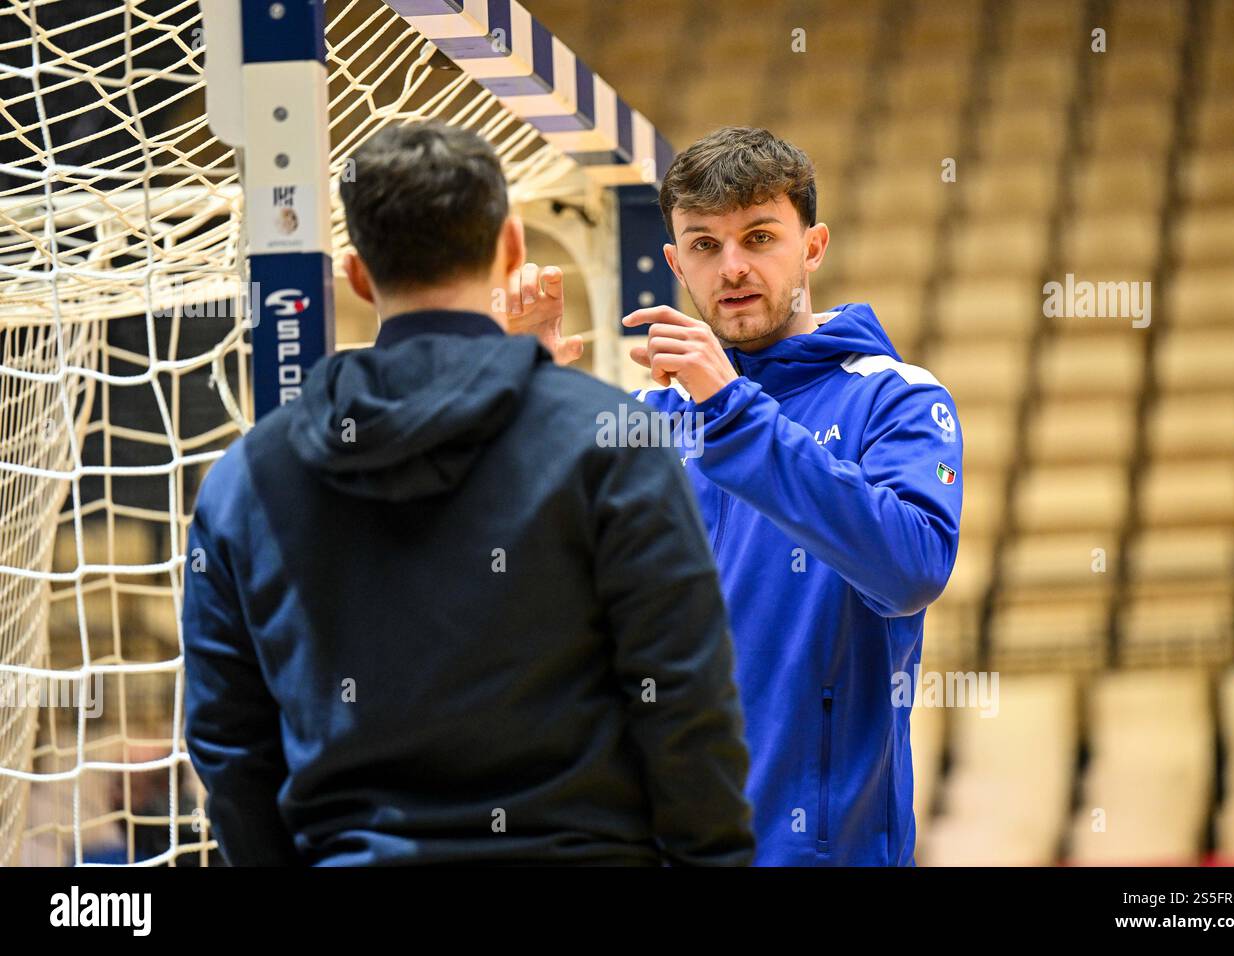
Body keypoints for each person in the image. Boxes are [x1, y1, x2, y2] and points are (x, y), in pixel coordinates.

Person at [181, 120, 754, 866]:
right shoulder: (614, 441)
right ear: (512, 246)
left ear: (357, 275)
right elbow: (686, 701)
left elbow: (227, 745)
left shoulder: (246, 477)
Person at [619, 126, 963, 865]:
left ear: (813, 247)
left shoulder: (896, 400)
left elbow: (910, 573)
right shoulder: (645, 424)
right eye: (706, 246)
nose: (733, 267)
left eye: (760, 236)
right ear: (677, 263)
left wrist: (731, 409)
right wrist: (522, 400)